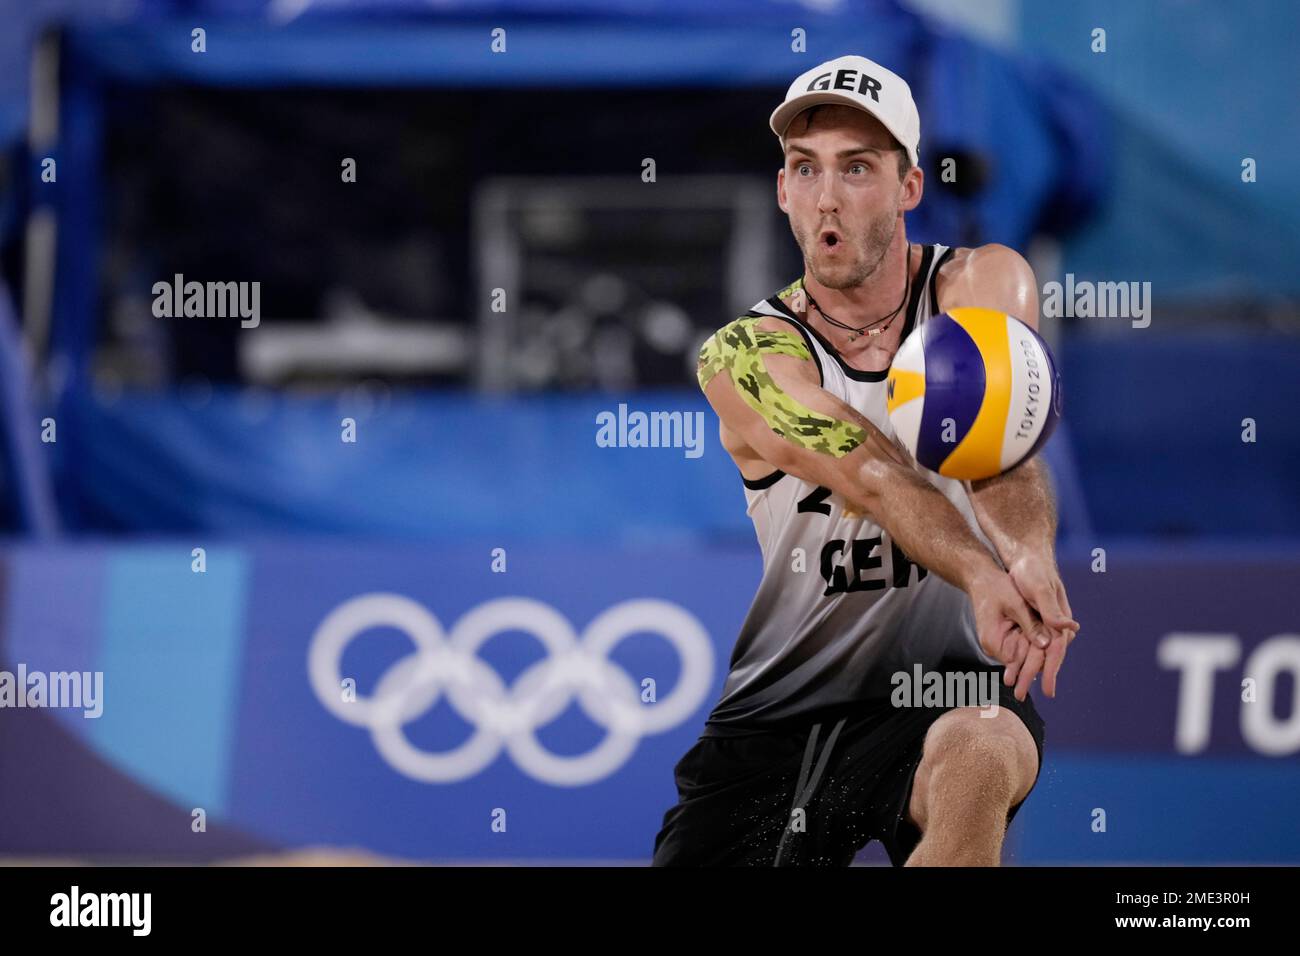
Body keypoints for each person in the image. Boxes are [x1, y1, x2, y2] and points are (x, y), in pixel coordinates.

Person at [651, 55, 1079, 867]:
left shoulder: (981, 281)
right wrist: (980, 572)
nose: (827, 197)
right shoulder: (746, 354)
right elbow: (868, 472)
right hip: (783, 708)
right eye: (805, 171)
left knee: (981, 759)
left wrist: (1026, 553)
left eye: (857, 168)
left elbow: (1000, 450)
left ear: (909, 187)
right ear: (782, 193)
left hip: (953, 684)